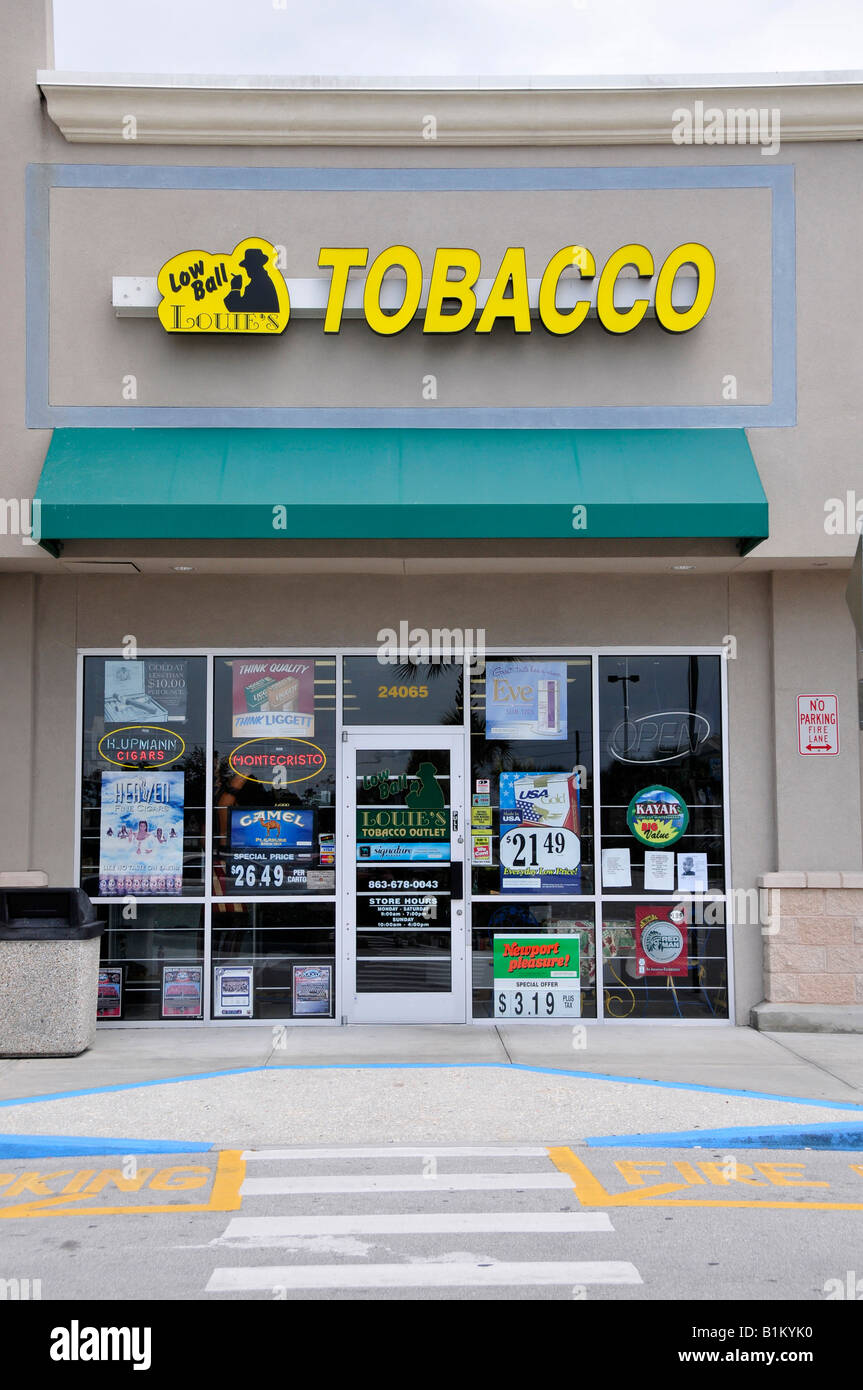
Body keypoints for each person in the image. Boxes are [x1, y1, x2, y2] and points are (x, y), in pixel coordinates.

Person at [223, 247, 280, 312]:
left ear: (256, 266)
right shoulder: (262, 281)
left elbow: (238, 310)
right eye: (246, 266)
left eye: (249, 265)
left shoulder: (259, 284)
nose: (247, 269)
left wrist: (235, 288)